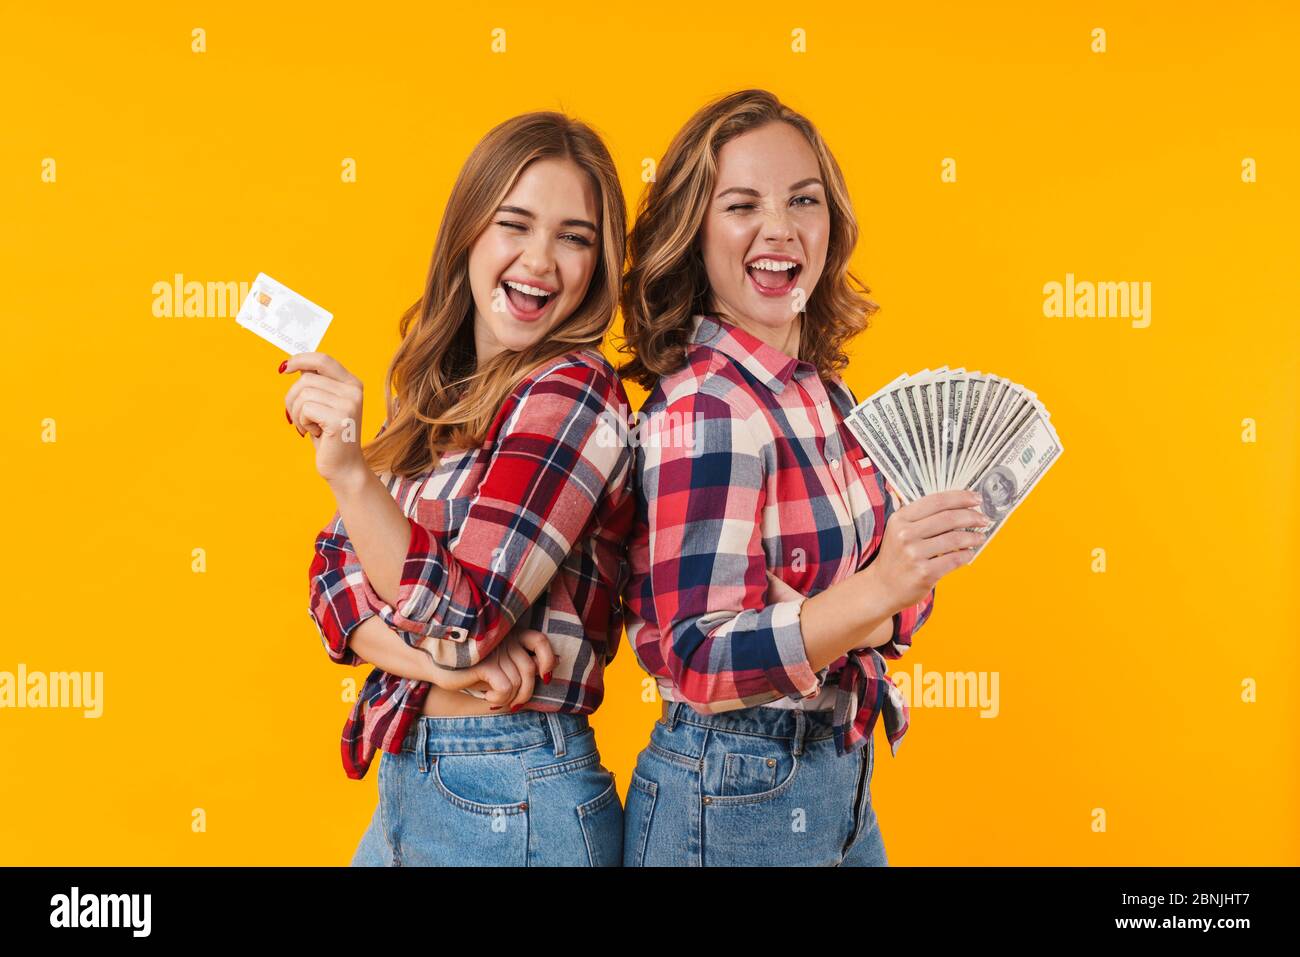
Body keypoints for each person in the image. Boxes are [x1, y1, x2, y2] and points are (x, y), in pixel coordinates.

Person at [617, 89, 991, 866]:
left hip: (836, 774)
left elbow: (902, 597)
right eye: (742, 205)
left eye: (803, 200)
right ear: (695, 233)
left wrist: (875, 598)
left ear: (832, 224)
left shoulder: (825, 394)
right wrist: (871, 597)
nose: (779, 228)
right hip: (733, 792)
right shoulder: (709, 410)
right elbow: (696, 655)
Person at [293, 112, 634, 866]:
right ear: (470, 232)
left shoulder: (577, 394)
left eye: (574, 237)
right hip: (417, 771)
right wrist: (442, 665)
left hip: (513, 787)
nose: (540, 260)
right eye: (515, 223)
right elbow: (331, 582)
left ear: (598, 263)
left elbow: (465, 615)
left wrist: (350, 471)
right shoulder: (435, 394)